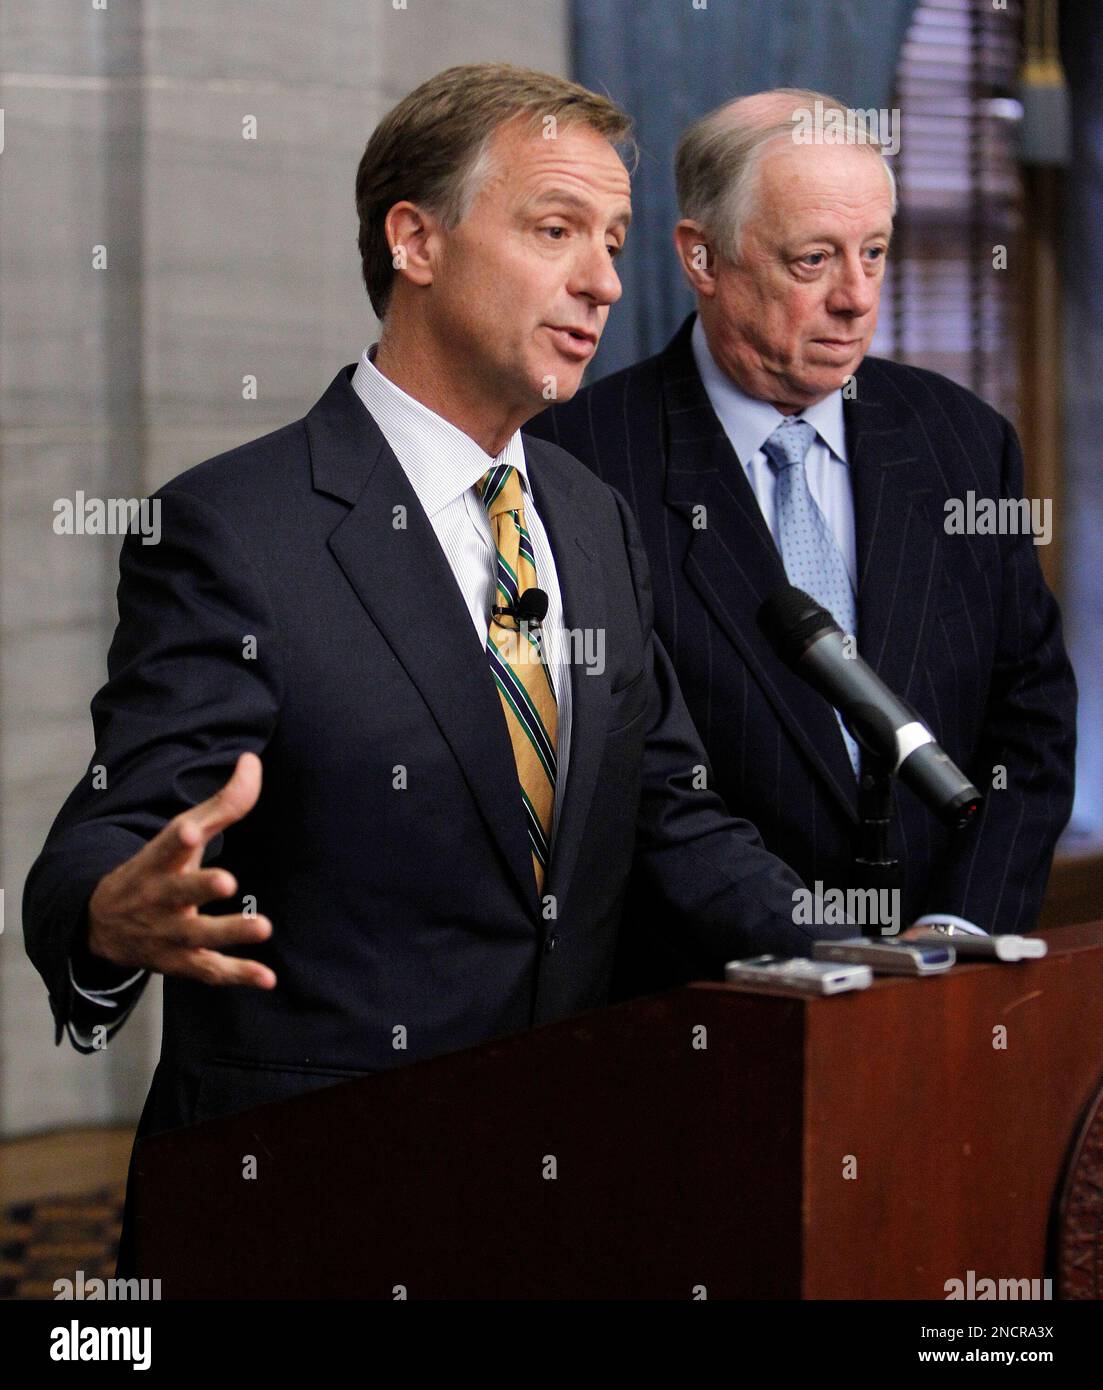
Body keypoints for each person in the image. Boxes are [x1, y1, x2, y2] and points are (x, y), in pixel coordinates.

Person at [23, 66, 851, 1275]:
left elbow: (666, 810)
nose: (604, 283)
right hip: (310, 1206)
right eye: (556, 231)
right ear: (414, 238)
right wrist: (107, 914)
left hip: (559, 1190)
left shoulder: (590, 517)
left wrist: (857, 950)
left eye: (615, 243)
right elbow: (111, 835)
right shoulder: (234, 528)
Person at [526, 88, 1077, 990]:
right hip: (703, 1005)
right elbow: (610, 779)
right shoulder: (573, 463)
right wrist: (827, 952)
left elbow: (1032, 715)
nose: (855, 299)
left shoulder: (961, 439)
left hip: (943, 992)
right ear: (701, 257)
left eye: (874, 255)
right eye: (813, 260)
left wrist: (956, 923)